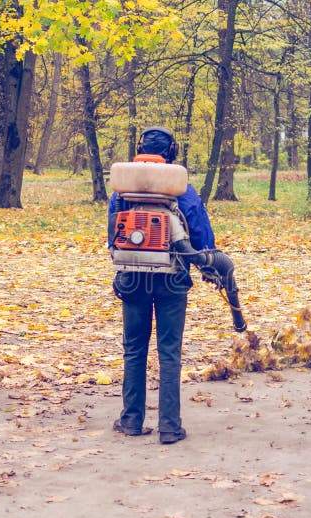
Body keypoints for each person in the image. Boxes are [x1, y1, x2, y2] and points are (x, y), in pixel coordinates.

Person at [107, 126, 215, 445]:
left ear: (140, 149)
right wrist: (210, 267)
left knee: (134, 349)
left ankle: (130, 420)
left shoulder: (122, 188)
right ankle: (170, 426)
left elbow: (113, 235)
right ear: (172, 152)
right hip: (172, 278)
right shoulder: (182, 188)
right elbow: (200, 235)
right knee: (169, 351)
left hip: (132, 277)